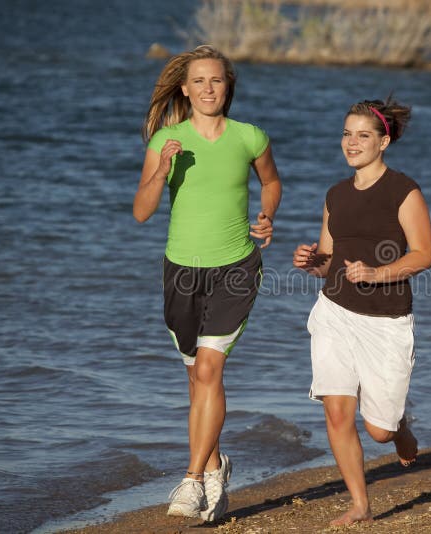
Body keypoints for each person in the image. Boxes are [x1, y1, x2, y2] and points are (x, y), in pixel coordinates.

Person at [133, 45, 282, 523]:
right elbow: (141, 212)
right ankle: (216, 467)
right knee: (196, 379)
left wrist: (267, 214)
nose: (207, 89)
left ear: (227, 86)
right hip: (181, 270)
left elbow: (271, 182)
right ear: (184, 88)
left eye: (216, 80)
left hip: (236, 266)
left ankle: (193, 479)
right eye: (198, 81)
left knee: (209, 370)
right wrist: (162, 169)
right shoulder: (166, 140)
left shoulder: (249, 137)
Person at [293, 98, 431, 527]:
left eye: (363, 135)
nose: (351, 143)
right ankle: (360, 505)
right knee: (337, 411)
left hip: (386, 321)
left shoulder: (403, 191)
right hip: (334, 312)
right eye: (346, 134)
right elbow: (328, 262)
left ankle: (399, 426)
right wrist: (311, 262)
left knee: (380, 431)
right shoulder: (335, 195)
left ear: (383, 142)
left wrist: (376, 273)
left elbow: (424, 254)